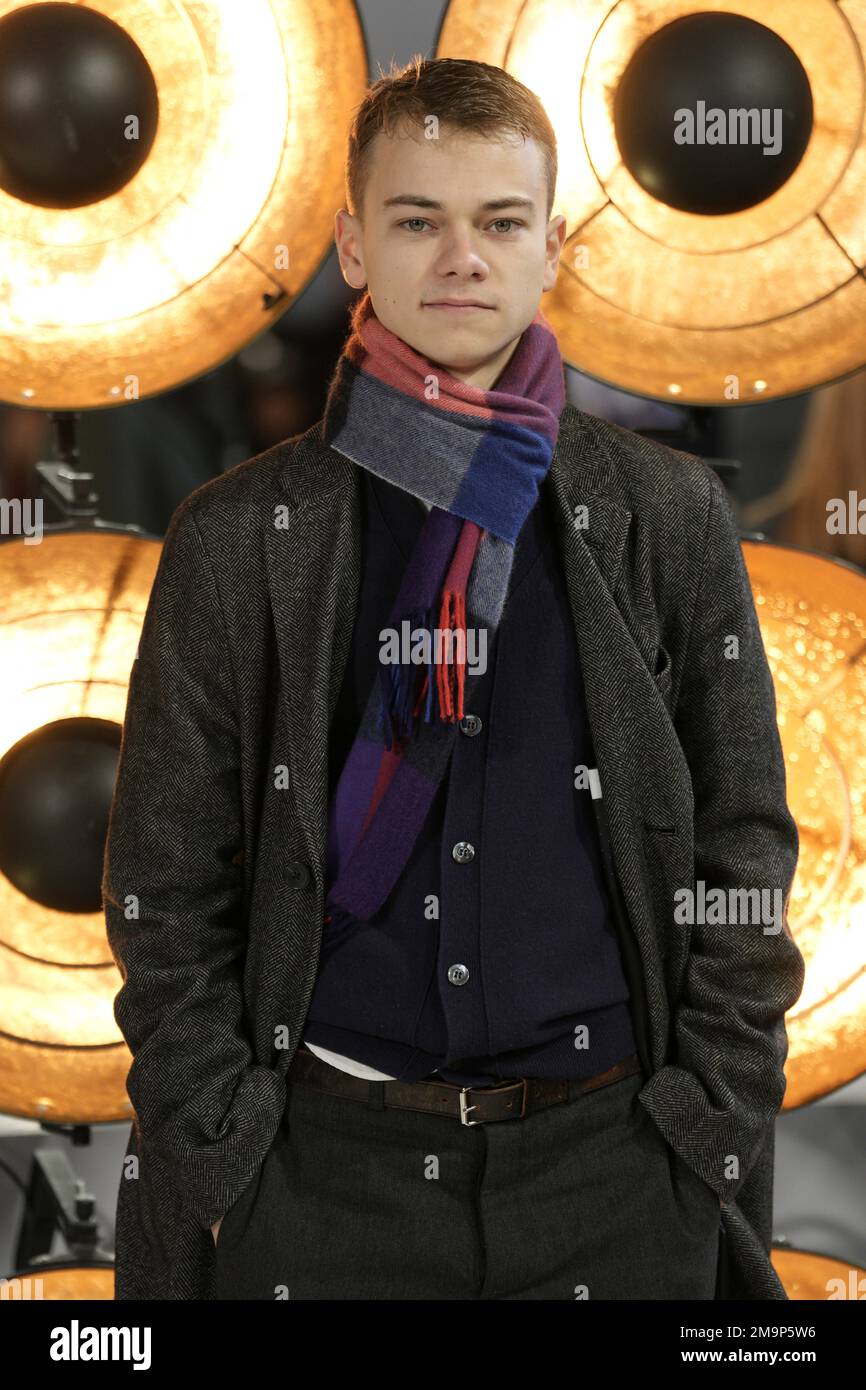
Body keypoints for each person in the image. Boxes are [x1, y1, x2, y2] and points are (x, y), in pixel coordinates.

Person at [104, 56, 805, 1301]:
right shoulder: (236, 536)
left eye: (498, 222)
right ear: (354, 248)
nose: (461, 258)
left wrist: (703, 1123)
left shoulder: (663, 516)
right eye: (417, 220)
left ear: (551, 247)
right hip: (320, 1175)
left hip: (616, 1172)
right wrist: (222, 1153)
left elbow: (741, 843)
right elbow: (163, 877)